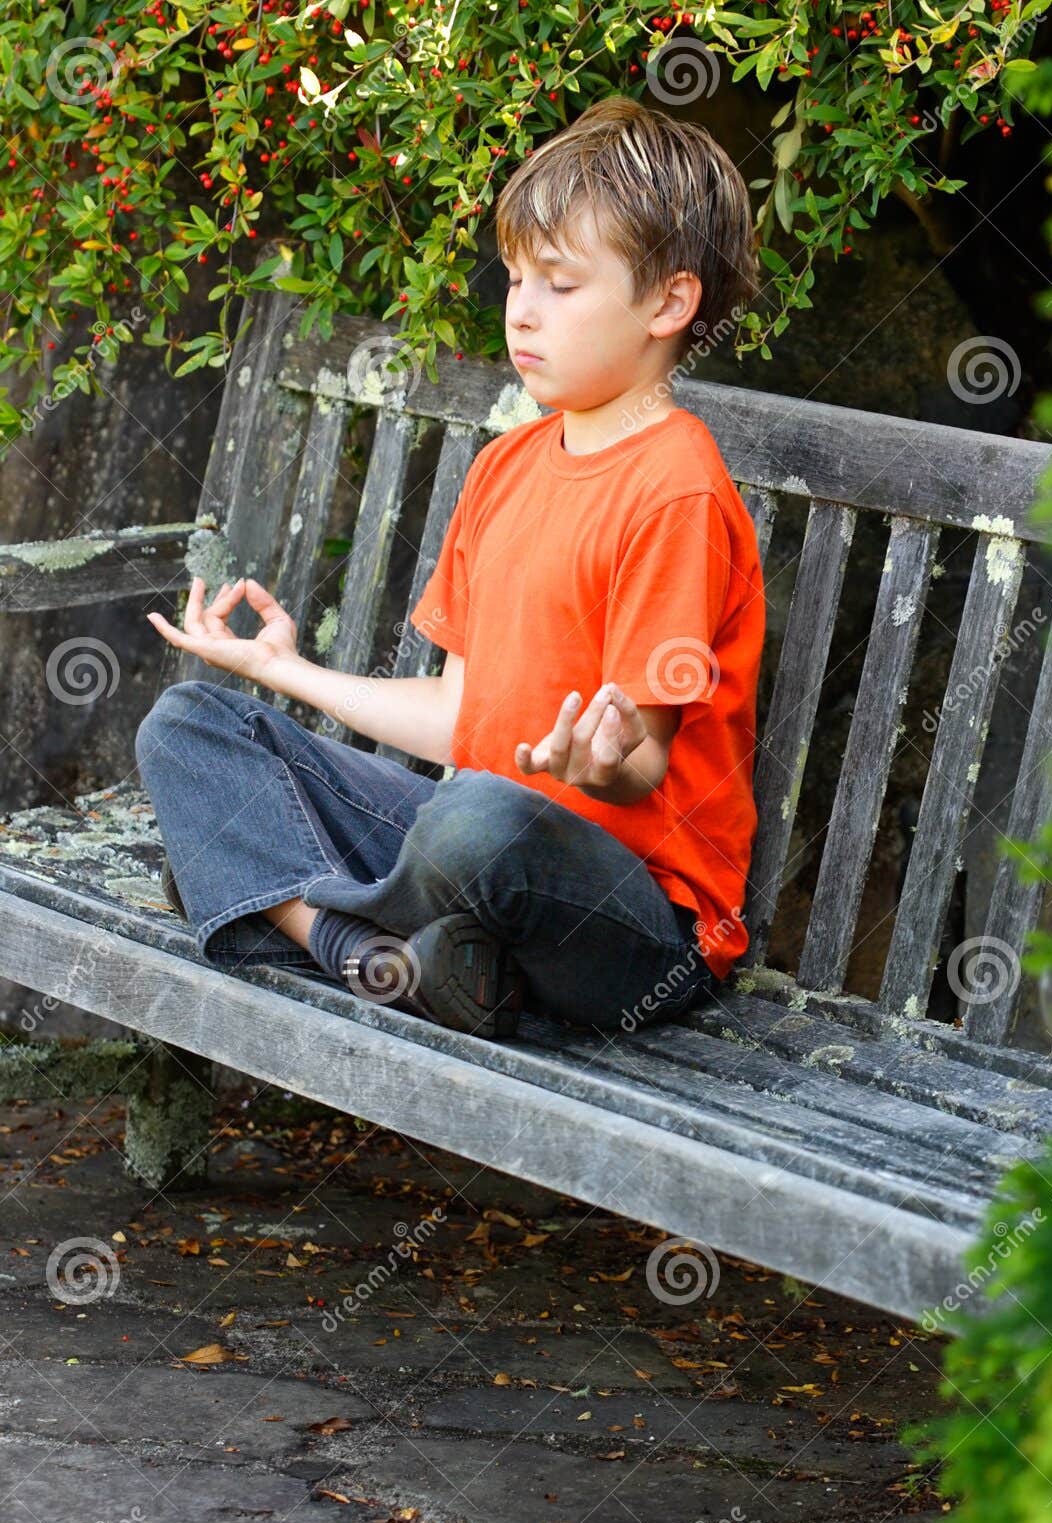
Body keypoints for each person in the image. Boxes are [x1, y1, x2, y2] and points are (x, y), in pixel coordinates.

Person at [135, 94, 765, 1042]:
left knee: (473, 818)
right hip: (470, 862)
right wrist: (284, 673)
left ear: (668, 303)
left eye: (559, 283)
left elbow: (638, 767)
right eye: (515, 279)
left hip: (631, 921)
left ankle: (289, 899)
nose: (522, 311)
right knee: (191, 725)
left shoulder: (675, 489)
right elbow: (456, 716)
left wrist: (597, 769)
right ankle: (368, 951)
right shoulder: (505, 465)